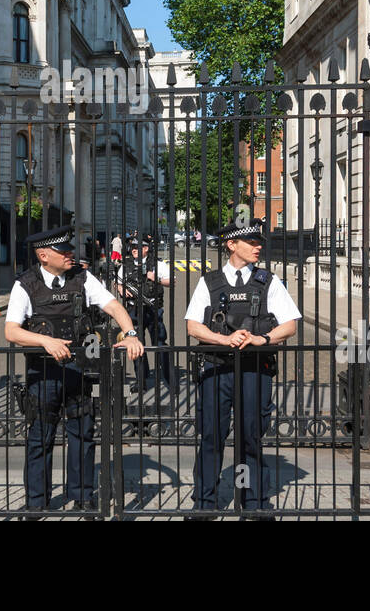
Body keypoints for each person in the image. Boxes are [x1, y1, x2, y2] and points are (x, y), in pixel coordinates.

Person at [5, 224, 144, 516]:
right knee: (39, 438)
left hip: (79, 371)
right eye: (63, 250)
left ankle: (82, 497)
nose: (71, 253)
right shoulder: (25, 284)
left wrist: (130, 334)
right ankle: (36, 502)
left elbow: (113, 306)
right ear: (44, 255)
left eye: (70, 249)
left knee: (82, 434)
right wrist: (45, 340)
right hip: (43, 374)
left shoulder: (82, 277)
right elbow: (12, 331)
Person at [185, 219, 300, 517]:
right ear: (231, 245)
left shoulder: (268, 281)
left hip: (254, 369)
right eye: (251, 242)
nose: (258, 246)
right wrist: (224, 338)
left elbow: (290, 324)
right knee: (211, 436)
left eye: (258, 242)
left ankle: (253, 502)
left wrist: (262, 338)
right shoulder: (209, 282)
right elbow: (193, 326)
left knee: (250, 437)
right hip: (216, 368)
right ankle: (205, 503)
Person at [116, 233, 175, 394]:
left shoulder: (156, 264)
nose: (134, 250)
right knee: (136, 345)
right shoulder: (126, 264)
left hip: (153, 310)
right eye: (133, 247)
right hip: (134, 311)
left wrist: (155, 278)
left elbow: (172, 281)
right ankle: (141, 381)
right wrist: (121, 289)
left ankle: (170, 382)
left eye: (137, 247)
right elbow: (118, 282)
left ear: (146, 248)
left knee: (160, 344)